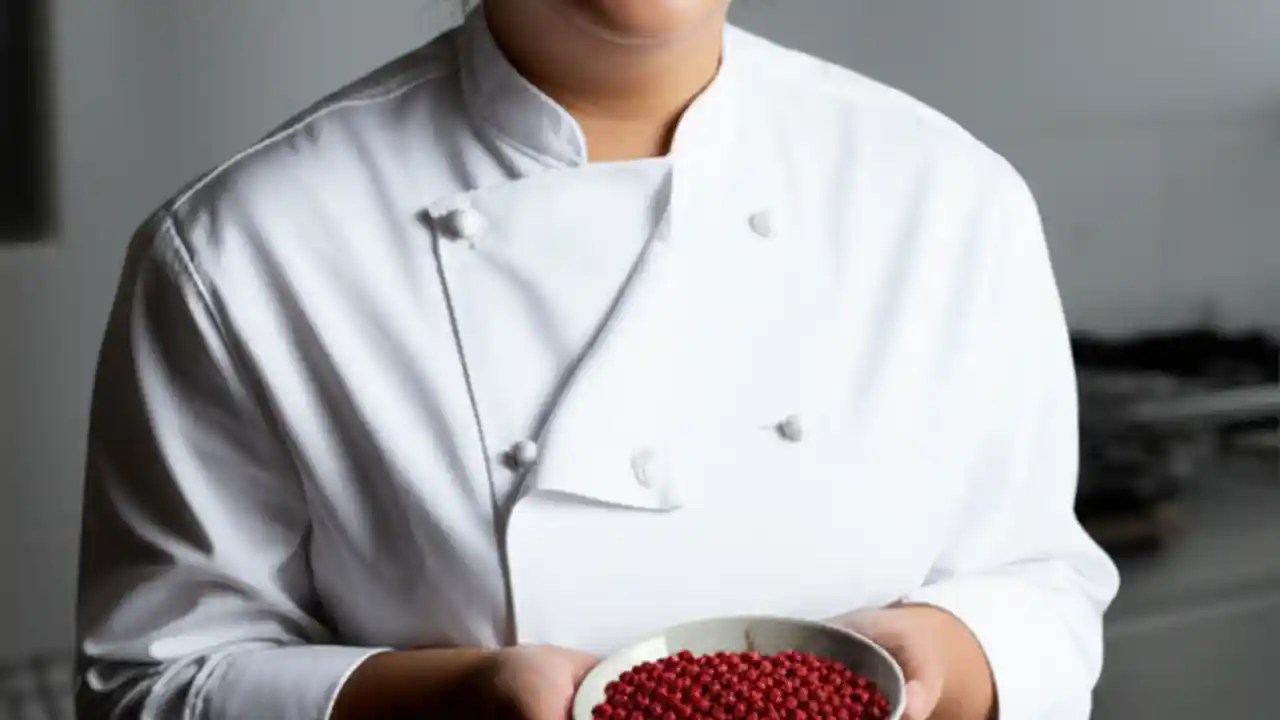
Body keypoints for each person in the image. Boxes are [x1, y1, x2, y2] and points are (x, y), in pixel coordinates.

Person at [76, 0, 1119, 718]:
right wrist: (458, 700)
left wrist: (947, 660)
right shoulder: (244, 245)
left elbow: (1039, 586)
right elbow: (153, 685)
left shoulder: (944, 195)